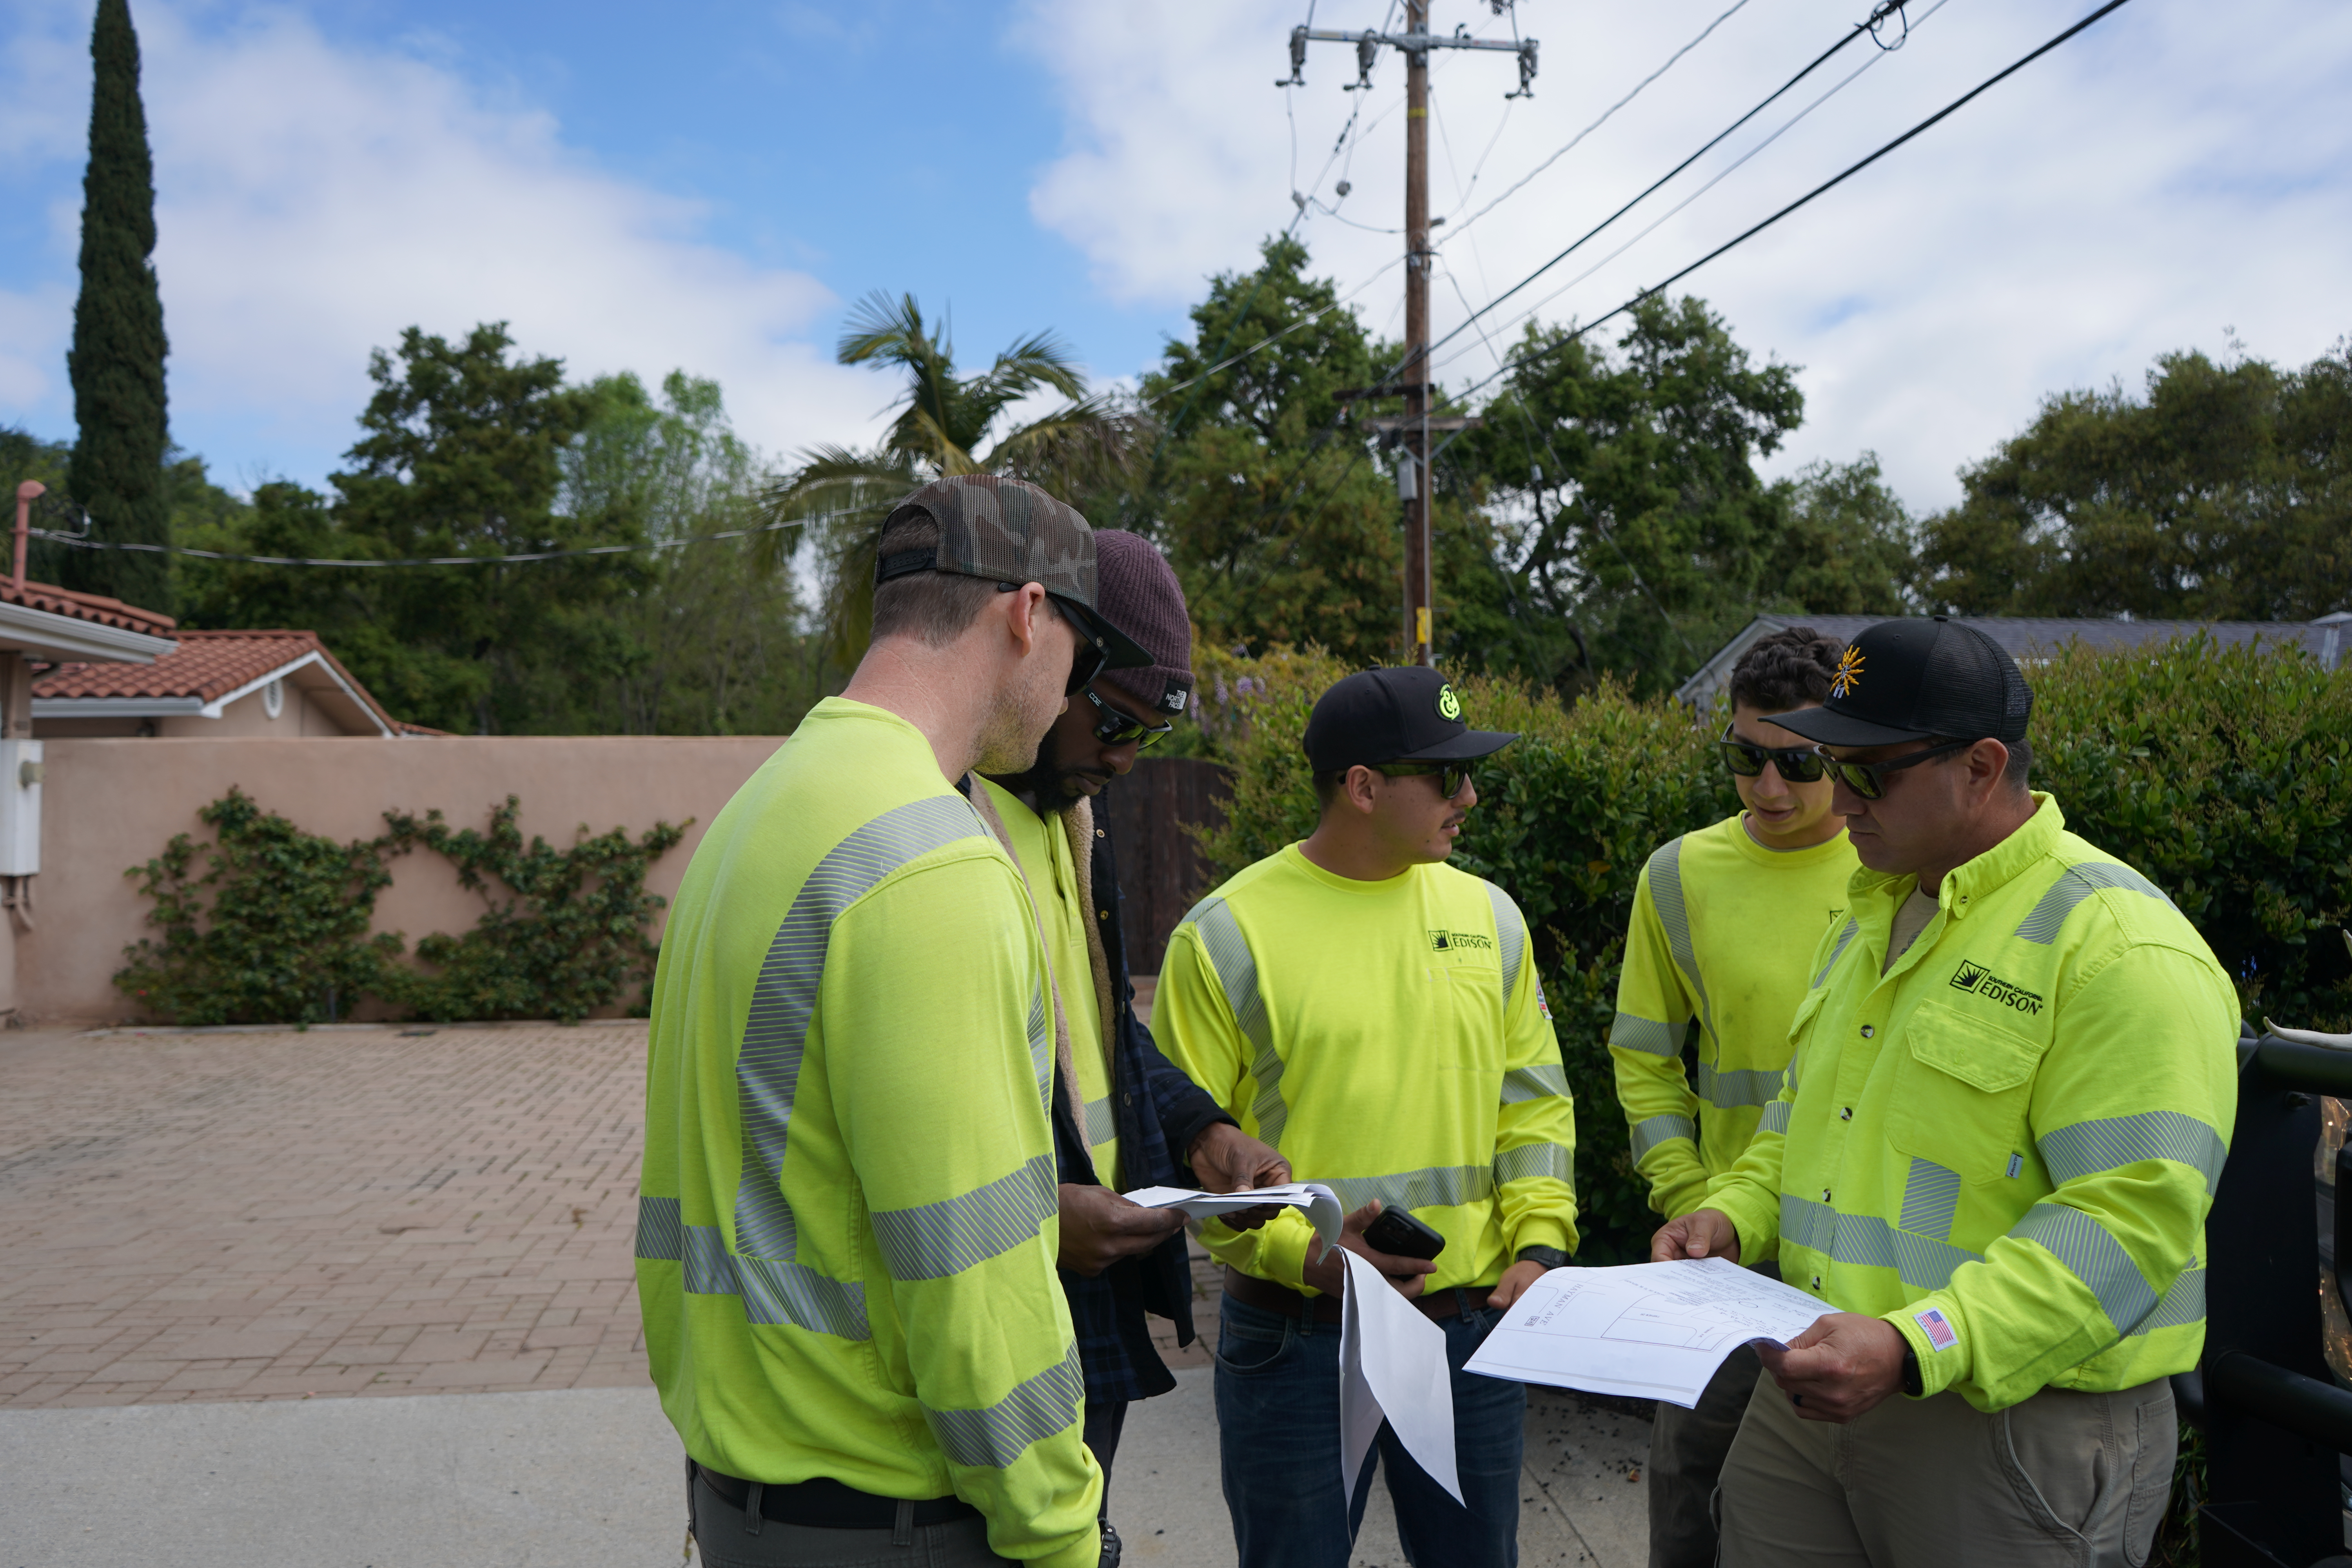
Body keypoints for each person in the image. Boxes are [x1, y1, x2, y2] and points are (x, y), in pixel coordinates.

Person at [635, 475, 1153, 1568]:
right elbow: (973, 1278)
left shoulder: (757, 816)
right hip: (892, 1511)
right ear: (1028, 614)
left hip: (748, 1492)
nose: (1073, 695)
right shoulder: (930, 861)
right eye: (1087, 659)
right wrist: (1066, 1534)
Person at [1653, 616, 2239, 1568]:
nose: (1838, 802)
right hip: (1816, 1388)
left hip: (2012, 1422)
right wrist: (1732, 1213)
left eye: (1867, 772)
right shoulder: (1871, 915)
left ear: (1981, 765)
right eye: (1829, 765)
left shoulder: (2120, 949)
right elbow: (1802, 1130)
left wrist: (1921, 1340)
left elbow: (2130, 1223)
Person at [1156, 666, 1579, 1568]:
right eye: (1447, 776)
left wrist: (1541, 1244)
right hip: (1298, 1337)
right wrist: (1302, 1256)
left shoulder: (1492, 917)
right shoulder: (1226, 934)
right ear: (1362, 787)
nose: (1469, 795)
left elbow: (1534, 1103)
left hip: (1469, 1328)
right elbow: (1189, 1163)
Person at [971, 530, 1291, 1561]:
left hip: (1090, 1286)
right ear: (1050, 659)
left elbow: (1103, 1035)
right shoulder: (950, 828)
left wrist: (1208, 1136)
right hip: (998, 1292)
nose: (1121, 755)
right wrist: (1026, 1222)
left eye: (1146, 735)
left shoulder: (1070, 821)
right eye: (1112, 720)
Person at [1609, 626, 1861, 1568]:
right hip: (1723, 1263)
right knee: (1689, 1500)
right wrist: (1686, 1195)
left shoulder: (1898, 869)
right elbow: (1643, 1057)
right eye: (1747, 758)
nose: (1769, 788)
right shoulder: (1679, 875)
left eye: (1800, 762)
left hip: (1857, 1256)